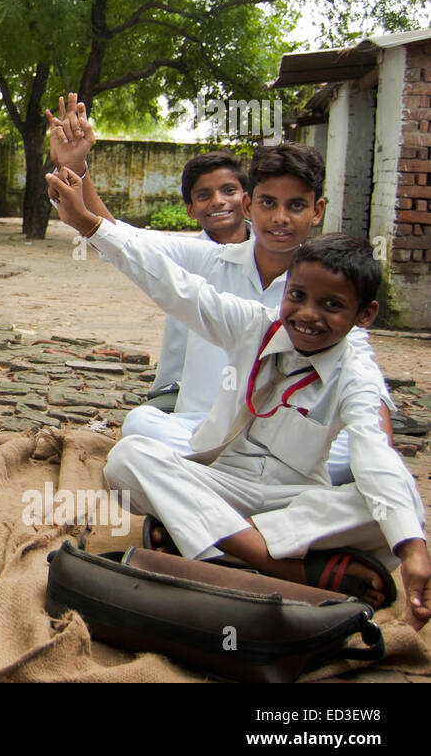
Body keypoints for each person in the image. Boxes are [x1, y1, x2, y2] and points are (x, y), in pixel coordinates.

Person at [49, 165, 430, 630]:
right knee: (130, 458)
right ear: (285, 292)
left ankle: (208, 545)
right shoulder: (255, 324)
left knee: (395, 503)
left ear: (364, 314)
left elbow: (374, 451)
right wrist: (88, 224)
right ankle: (280, 566)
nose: (308, 316)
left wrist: (414, 552)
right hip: (224, 481)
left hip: (297, 499)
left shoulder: (357, 372)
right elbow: (173, 285)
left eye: (331, 306)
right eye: (298, 297)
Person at [45, 94, 395, 485]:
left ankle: (216, 485)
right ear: (249, 205)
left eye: (296, 206)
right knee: (142, 427)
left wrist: (379, 453)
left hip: (287, 441)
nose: (280, 218)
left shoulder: (329, 287)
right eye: (268, 203)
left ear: (316, 211)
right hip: (200, 430)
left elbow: (364, 378)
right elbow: (122, 241)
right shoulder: (208, 260)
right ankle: (247, 484)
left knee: (351, 455)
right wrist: (76, 168)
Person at [143, 149, 251, 410]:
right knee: (141, 426)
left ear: (247, 201)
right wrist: (77, 168)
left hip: (258, 393)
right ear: (190, 209)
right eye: (204, 195)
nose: (217, 201)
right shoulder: (182, 256)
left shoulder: (274, 255)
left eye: (228, 191)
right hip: (182, 391)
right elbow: (116, 238)